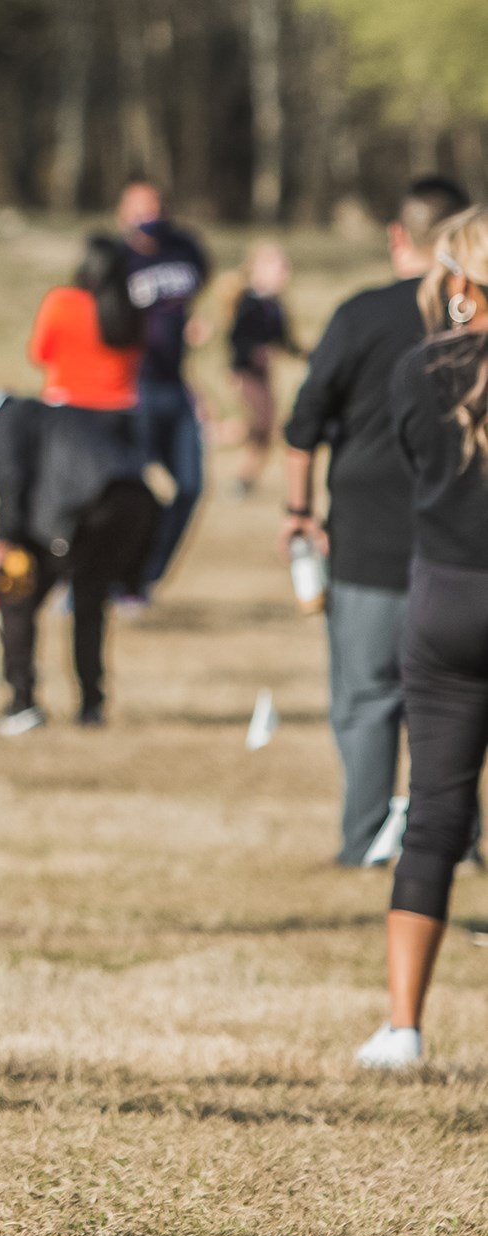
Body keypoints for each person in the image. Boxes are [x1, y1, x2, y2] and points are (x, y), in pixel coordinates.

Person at [284, 176, 470, 870]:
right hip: (460, 542)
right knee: (455, 701)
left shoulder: (359, 316)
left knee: (366, 697)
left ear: (398, 237)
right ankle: (459, 839)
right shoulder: (471, 318)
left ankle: (364, 838)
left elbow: (302, 426)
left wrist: (298, 513)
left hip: (366, 537)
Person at [355, 207, 488, 1070]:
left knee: (434, 812)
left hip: (444, 601)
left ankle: (402, 1028)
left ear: (461, 283)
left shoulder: (419, 370)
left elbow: (410, 466)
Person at [0, 387, 157, 735]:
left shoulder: (1, 424)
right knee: (90, 601)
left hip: (82, 510)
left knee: (14, 594)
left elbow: (12, 481)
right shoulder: (44, 414)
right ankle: (92, 707)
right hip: (133, 501)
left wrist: (5, 539)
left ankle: (22, 704)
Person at [116, 181, 209, 597]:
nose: (147, 218)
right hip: (134, 389)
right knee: (130, 487)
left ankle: (145, 576)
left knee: (190, 484)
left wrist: (190, 322)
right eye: (138, 210)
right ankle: (109, 573)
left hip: (176, 385)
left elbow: (198, 288)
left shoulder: (185, 248)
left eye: (154, 209)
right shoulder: (117, 261)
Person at [28, 234, 144, 412]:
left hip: (64, 405)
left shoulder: (60, 302)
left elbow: (39, 355)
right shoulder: (132, 306)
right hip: (122, 408)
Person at [226, 241, 300, 496]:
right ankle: (216, 432)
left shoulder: (276, 305)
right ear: (257, 270)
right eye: (278, 265)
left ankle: (244, 481)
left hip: (264, 376)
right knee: (258, 426)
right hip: (246, 374)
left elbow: (285, 342)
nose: (285, 270)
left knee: (266, 432)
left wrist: (308, 354)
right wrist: (253, 351)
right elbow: (235, 338)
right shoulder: (246, 301)